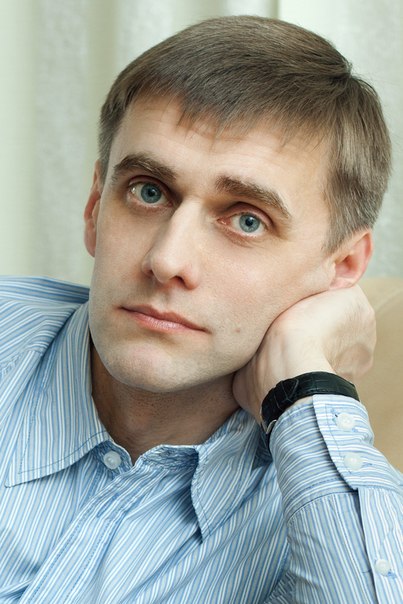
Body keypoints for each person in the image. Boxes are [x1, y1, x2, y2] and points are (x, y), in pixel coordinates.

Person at [0, 15, 401, 603]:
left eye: (247, 220)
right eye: (148, 191)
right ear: (94, 208)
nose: (167, 260)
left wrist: (304, 379)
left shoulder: (326, 511)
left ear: (341, 267)